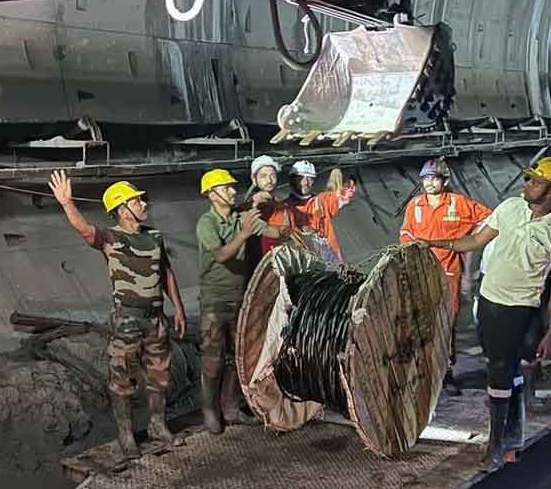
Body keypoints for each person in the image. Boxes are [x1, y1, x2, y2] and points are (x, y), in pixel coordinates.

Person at [414, 156, 551, 470]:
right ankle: (514, 428)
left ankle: (496, 442)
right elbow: (476, 240)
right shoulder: (509, 208)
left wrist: (550, 330)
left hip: (519, 308)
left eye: (536, 182)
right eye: (528, 179)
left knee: (499, 369)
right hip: (488, 300)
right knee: (504, 365)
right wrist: (434, 243)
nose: (527, 185)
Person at [49, 170, 186, 458]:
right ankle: (125, 434)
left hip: (156, 318)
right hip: (127, 319)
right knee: (122, 378)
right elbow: (85, 230)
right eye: (137, 202)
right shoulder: (110, 238)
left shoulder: (155, 237)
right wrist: (67, 204)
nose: (144, 205)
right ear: (122, 210)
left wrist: (178, 308)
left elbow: (166, 273)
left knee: (159, 375)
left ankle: (157, 426)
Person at [195, 168, 284, 433]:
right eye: (226, 188)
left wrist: (294, 227)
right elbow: (222, 255)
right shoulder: (207, 223)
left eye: (233, 187)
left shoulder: (240, 217)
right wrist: (245, 233)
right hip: (214, 300)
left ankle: (231, 407)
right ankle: (210, 409)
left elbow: (273, 231)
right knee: (212, 358)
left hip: (241, 298)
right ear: (212, 195)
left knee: (238, 356)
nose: (233, 191)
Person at [398, 158, 492, 395]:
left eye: (434, 178)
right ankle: (422, 370)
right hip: (419, 271)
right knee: (420, 320)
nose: (429, 183)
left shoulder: (458, 204)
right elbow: (406, 233)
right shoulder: (415, 205)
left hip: (449, 272)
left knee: (446, 323)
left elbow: (490, 218)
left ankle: (447, 371)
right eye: (426, 178)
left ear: (445, 180)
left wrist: (470, 241)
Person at [268, 160, 357, 259]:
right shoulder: (282, 209)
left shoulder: (322, 202)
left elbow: (344, 195)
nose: (305, 182)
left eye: (309, 178)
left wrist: (338, 173)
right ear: (292, 180)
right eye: (301, 178)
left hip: (328, 264)